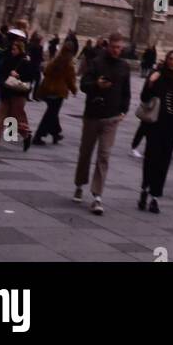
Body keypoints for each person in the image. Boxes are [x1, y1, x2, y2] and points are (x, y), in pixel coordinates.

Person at [73, 33, 131, 214]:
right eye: (114, 47)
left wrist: (124, 110)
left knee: (104, 155)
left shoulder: (124, 66)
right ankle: (80, 184)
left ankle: (97, 196)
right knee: (85, 152)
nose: (116, 50)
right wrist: (96, 84)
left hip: (111, 118)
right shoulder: (97, 62)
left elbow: (126, 91)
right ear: (108, 46)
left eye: (119, 48)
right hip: (92, 115)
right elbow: (84, 85)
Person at [138, 49, 173, 212]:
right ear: (166, 60)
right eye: (170, 59)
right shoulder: (158, 76)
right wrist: (150, 82)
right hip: (155, 124)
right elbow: (144, 98)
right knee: (150, 158)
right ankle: (145, 188)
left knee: (164, 162)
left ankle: (155, 196)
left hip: (171, 127)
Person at [0, 31, 36, 152]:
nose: (13, 51)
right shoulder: (9, 59)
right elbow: (3, 74)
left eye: (15, 49)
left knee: (16, 118)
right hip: (7, 92)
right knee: (0, 116)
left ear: (20, 49)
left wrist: (18, 75)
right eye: (12, 49)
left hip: (18, 94)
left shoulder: (25, 61)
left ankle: (26, 135)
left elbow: (30, 76)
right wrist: (0, 86)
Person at [33, 40, 77, 144]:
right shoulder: (69, 64)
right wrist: (74, 90)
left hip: (48, 90)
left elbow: (46, 71)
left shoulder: (55, 60)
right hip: (58, 92)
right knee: (50, 115)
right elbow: (70, 80)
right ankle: (38, 136)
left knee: (52, 113)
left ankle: (56, 134)